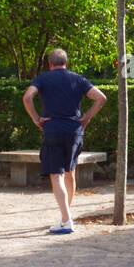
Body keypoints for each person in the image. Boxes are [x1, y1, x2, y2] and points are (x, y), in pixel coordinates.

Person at [22, 48, 107, 235]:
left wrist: (36, 119)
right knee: (70, 173)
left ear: (50, 64)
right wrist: (87, 117)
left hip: (52, 130)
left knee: (56, 175)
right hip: (74, 131)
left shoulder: (43, 79)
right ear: (66, 63)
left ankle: (66, 220)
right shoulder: (78, 79)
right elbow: (101, 98)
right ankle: (65, 216)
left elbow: (27, 97)